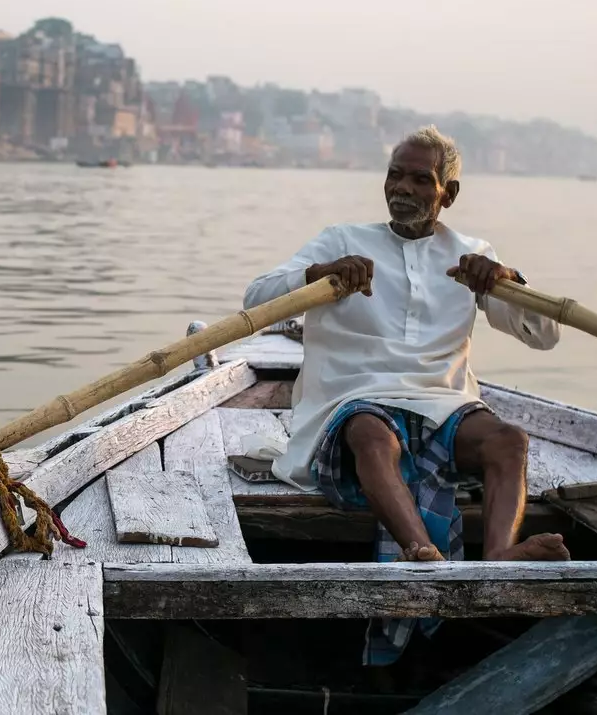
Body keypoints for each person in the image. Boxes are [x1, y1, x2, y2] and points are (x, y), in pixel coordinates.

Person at [243, 126, 569, 659]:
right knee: (373, 435)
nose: (403, 188)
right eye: (396, 174)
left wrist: (510, 280)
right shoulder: (342, 239)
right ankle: (421, 551)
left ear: (449, 194)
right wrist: (319, 275)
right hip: (353, 397)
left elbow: (544, 335)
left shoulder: (471, 255)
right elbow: (256, 299)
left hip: (444, 404)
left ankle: (501, 554)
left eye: (421, 179)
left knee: (508, 440)